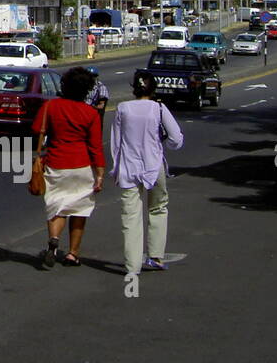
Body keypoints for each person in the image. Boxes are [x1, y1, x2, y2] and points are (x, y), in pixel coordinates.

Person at [110, 73, 184, 275]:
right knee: (158, 207)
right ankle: (156, 256)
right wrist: (164, 144)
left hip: (128, 167)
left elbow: (116, 143)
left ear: (134, 88)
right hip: (154, 165)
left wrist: (116, 169)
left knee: (130, 216)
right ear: (153, 89)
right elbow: (176, 138)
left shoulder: (122, 108)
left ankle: (132, 266)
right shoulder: (158, 108)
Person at [32, 67, 105, 268]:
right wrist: (99, 174)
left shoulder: (50, 106)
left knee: (56, 206)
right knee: (79, 210)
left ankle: (54, 240)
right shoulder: (91, 113)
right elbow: (95, 147)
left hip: (56, 163)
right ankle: (73, 253)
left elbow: (37, 128)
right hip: (82, 165)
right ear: (87, 89)